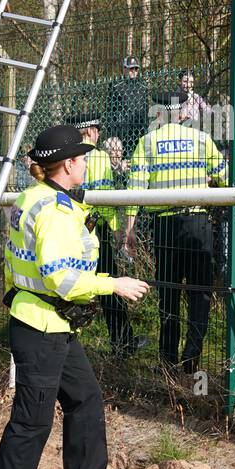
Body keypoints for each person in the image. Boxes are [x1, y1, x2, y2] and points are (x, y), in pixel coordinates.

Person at [0, 125, 150, 469]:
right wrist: (114, 285)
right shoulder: (54, 211)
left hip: (46, 321)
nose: (87, 164)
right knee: (33, 418)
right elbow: (61, 279)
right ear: (68, 164)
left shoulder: (34, 197)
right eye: (83, 159)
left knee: (85, 398)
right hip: (42, 327)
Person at [123, 90, 227, 373]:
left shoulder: (147, 142)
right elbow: (225, 176)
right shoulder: (202, 139)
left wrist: (129, 229)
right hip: (198, 223)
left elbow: (135, 189)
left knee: (168, 293)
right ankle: (192, 357)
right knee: (199, 293)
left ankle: (167, 361)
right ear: (182, 113)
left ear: (159, 114)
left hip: (165, 227)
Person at [69, 112, 146, 357]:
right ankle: (122, 342)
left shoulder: (67, 155)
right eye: (98, 129)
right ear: (91, 131)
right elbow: (105, 199)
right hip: (95, 230)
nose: (99, 133)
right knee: (109, 285)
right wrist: (118, 231)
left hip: (69, 227)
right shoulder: (99, 156)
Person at [106, 55, 149, 154]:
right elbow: (110, 111)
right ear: (124, 69)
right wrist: (113, 134)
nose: (133, 71)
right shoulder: (116, 87)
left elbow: (145, 109)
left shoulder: (143, 87)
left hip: (139, 130)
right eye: (131, 69)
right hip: (122, 131)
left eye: (136, 69)